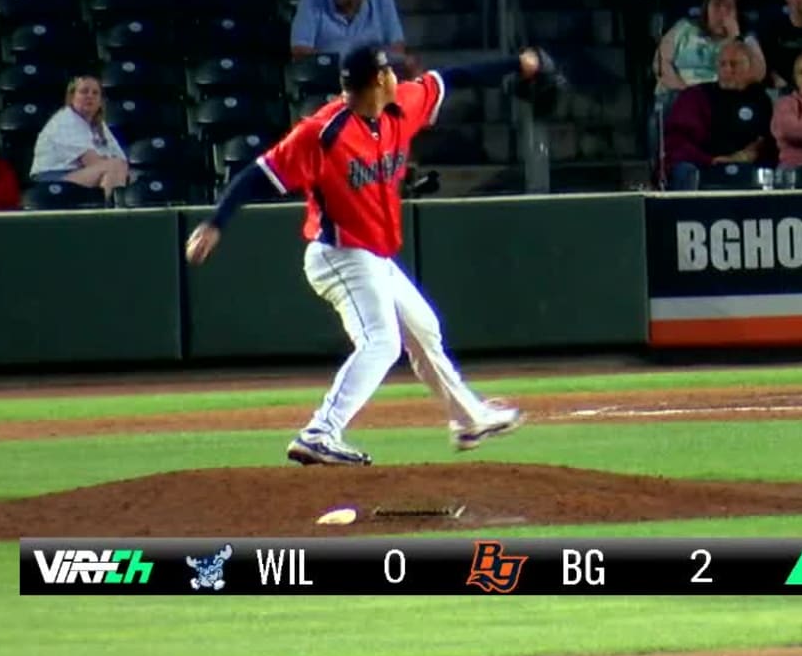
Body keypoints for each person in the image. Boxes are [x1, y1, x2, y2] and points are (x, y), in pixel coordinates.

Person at [183, 44, 559, 464]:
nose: (401, 79)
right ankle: (320, 432)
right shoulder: (322, 133)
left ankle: (469, 418)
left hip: (375, 256)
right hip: (339, 255)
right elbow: (258, 175)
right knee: (381, 340)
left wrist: (516, 64)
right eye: (391, 74)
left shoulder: (402, 106)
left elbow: (455, 77)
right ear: (379, 80)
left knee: (424, 330)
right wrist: (217, 221)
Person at [661, 40, 772, 189]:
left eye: (734, 64)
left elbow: (769, 138)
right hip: (705, 166)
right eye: (722, 64)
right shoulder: (695, 96)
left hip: (750, 169)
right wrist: (711, 160)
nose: (727, 69)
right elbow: (676, 142)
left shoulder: (761, 98)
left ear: (750, 67)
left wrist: (750, 153)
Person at [654, 0, 766, 92]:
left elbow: (757, 75)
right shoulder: (683, 29)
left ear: (738, 12)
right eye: (716, 5)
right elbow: (660, 64)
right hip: (677, 96)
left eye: (728, 7)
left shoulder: (746, 40)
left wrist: (735, 40)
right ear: (706, 8)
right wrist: (686, 93)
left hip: (720, 100)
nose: (722, 12)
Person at [28, 75, 130, 198]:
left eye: (95, 93)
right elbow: (92, 162)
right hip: (51, 180)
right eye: (84, 91)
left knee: (122, 169)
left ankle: (110, 208)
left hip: (82, 175)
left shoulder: (98, 125)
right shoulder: (65, 120)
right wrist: (114, 166)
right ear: (72, 97)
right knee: (114, 167)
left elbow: (121, 159)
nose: (90, 96)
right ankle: (108, 211)